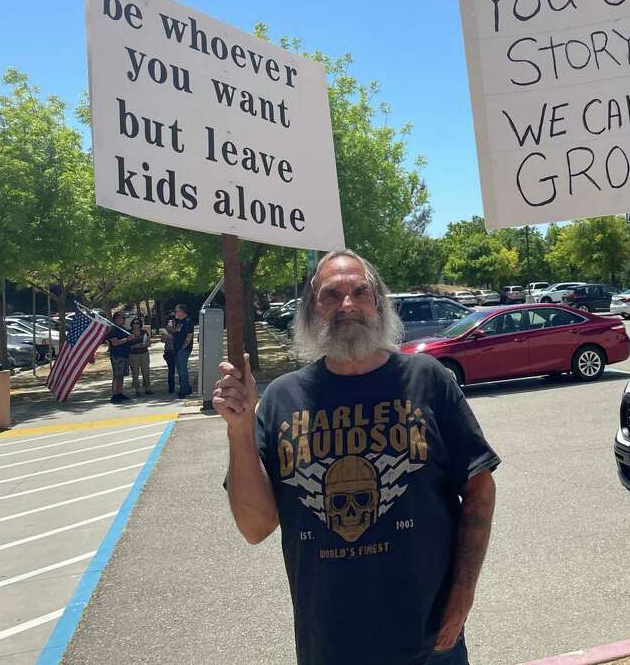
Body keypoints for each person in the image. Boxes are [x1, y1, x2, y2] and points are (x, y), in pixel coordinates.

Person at [214, 250, 499, 665]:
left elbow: (479, 489)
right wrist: (239, 429)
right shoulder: (282, 398)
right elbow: (256, 526)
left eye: (359, 292)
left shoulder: (427, 379)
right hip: (329, 644)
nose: (346, 305)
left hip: (429, 641)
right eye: (331, 295)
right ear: (312, 310)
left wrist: (463, 594)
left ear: (379, 302)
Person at [106, 312, 133, 403]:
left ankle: (119, 393)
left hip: (124, 355)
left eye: (124, 318)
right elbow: (114, 343)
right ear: (116, 319)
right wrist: (127, 339)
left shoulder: (124, 329)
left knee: (122, 376)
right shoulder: (113, 330)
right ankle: (114, 395)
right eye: (122, 318)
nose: (123, 320)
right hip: (117, 356)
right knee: (117, 376)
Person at [171, 303, 193, 397]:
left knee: (183, 370)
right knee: (180, 370)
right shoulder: (179, 321)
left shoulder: (187, 321)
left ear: (182, 311)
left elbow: (189, 335)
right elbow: (176, 333)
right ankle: (187, 388)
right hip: (177, 349)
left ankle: (183, 390)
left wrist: (184, 347)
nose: (174, 313)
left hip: (183, 350)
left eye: (176, 311)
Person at [127, 317, 152, 396]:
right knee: (135, 373)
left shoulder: (144, 332)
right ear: (132, 324)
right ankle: (137, 390)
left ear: (140, 324)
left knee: (146, 371)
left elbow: (149, 342)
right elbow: (128, 345)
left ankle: (147, 388)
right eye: (134, 323)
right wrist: (136, 345)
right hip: (133, 355)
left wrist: (145, 344)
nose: (136, 325)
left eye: (137, 323)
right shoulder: (129, 332)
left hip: (144, 353)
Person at [161, 317, 177, 394]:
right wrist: (167, 334)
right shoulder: (165, 331)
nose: (171, 324)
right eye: (170, 322)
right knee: (171, 370)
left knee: (181, 370)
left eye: (173, 322)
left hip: (178, 352)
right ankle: (171, 387)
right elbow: (162, 340)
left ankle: (183, 387)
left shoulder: (178, 330)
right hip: (169, 353)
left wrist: (173, 332)